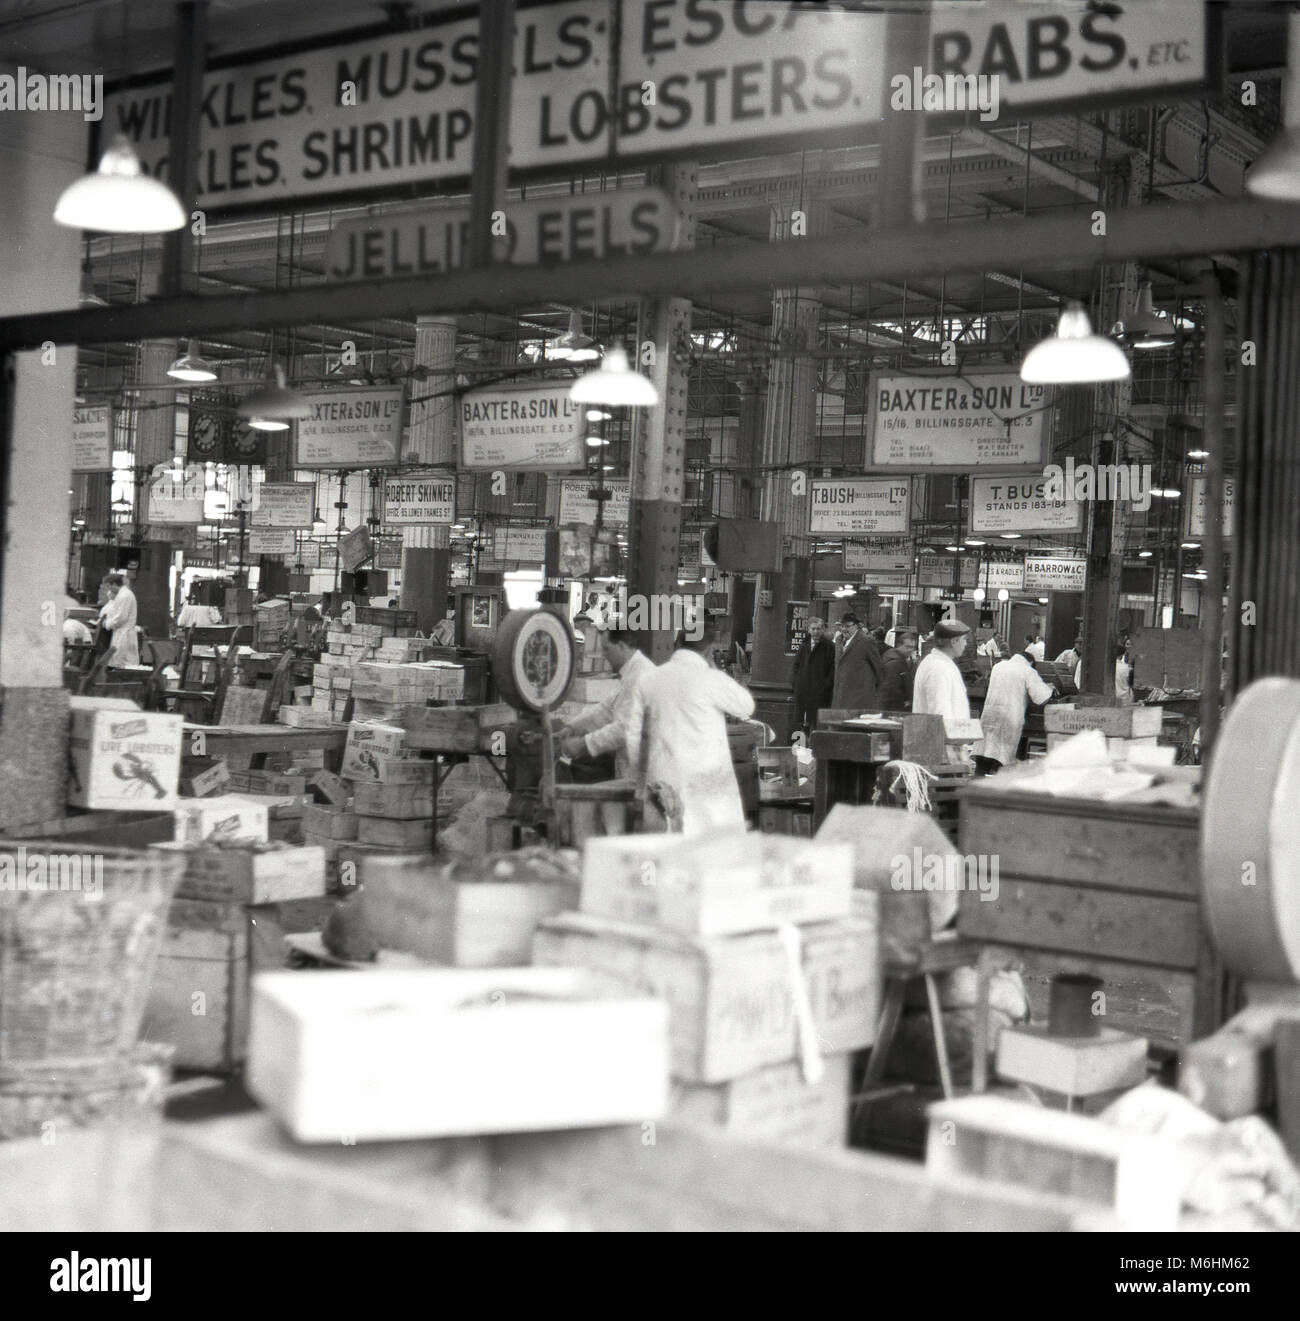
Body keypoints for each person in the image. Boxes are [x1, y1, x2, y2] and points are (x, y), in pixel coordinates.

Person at [627, 614, 755, 835]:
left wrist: (643, 779)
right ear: (709, 649)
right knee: (709, 853)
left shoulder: (648, 679)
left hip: (663, 785)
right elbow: (746, 707)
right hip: (707, 785)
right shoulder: (711, 679)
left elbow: (633, 736)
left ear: (678, 644)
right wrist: (713, 668)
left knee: (667, 850)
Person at [556, 622, 655, 780]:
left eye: (606, 648)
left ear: (621, 646)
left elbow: (625, 727)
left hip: (640, 772)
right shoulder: (631, 673)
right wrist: (572, 727)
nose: (603, 654)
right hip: (628, 766)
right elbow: (605, 709)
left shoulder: (641, 675)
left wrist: (584, 744)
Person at [973, 646, 1056, 775]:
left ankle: (976, 787)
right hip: (1009, 719)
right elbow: (1042, 697)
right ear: (1031, 663)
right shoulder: (1027, 670)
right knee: (1002, 761)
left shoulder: (998, 666)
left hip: (990, 717)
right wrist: (1051, 689)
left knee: (984, 756)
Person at [912, 619, 972, 725]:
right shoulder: (939, 668)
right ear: (954, 642)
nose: (966, 643)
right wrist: (954, 739)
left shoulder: (937, 663)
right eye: (964, 639)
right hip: (943, 740)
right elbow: (940, 713)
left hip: (948, 738)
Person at [791, 616, 835, 732]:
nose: (816, 631)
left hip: (820, 691)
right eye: (813, 628)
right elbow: (797, 664)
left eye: (819, 628)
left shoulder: (829, 646)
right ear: (809, 630)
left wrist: (825, 685)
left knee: (817, 724)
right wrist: (796, 683)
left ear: (823, 630)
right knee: (803, 722)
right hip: (803, 688)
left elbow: (832, 669)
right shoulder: (804, 645)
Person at [832, 613, 883, 710]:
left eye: (847, 626)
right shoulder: (838, 640)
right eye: (841, 626)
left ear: (856, 626)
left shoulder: (866, 641)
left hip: (859, 698)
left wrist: (871, 690)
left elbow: (878, 668)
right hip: (840, 696)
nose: (843, 629)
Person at [97, 573, 139, 667]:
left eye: (109, 586)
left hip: (124, 634)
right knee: (121, 661)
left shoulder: (124, 595)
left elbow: (121, 618)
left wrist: (107, 624)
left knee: (123, 663)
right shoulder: (123, 594)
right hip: (122, 632)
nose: (109, 590)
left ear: (115, 584)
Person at [878, 628, 919, 710]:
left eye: (913, 647)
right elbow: (888, 691)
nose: (910, 650)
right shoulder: (895, 663)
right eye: (908, 647)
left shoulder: (896, 658)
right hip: (894, 709)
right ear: (899, 645)